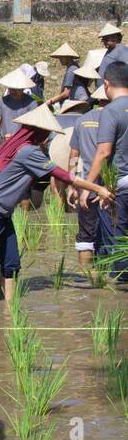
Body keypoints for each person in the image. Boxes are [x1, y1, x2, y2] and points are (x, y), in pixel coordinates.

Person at [0, 104, 113, 300]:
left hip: (1, 213)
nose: (47, 138)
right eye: (46, 133)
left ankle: (8, 313)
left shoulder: (16, 145)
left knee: (11, 267)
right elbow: (62, 174)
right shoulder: (29, 152)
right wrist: (98, 188)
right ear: (41, 133)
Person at [83, 61, 128, 278]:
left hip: (118, 188)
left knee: (117, 246)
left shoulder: (111, 111)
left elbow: (103, 153)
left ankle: (118, 300)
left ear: (106, 84)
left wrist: (88, 187)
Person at [68, 85, 112, 272]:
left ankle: (88, 277)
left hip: (85, 183)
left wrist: (72, 182)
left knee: (86, 235)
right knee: (112, 232)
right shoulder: (118, 117)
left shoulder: (82, 121)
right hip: (111, 184)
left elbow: (74, 154)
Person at [0, 67, 40, 141]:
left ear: (23, 88)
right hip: (4, 142)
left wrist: (15, 137)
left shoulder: (31, 103)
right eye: (10, 88)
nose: (12, 91)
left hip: (22, 142)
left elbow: (32, 126)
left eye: (15, 89)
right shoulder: (3, 101)